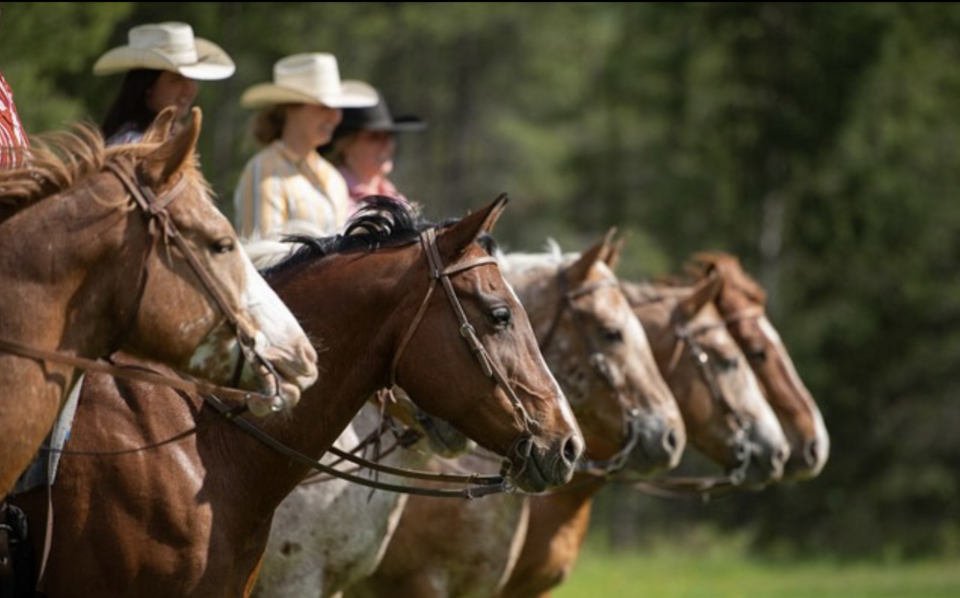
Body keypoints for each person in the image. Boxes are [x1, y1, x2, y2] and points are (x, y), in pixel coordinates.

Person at [233, 53, 377, 239]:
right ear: (291, 107)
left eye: (337, 107)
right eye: (324, 107)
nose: (336, 117)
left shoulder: (332, 177)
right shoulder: (264, 171)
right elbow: (262, 258)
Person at [93, 22, 235, 145]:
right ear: (147, 86)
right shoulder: (131, 146)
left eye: (192, 78)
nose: (190, 88)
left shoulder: (168, 139)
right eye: (177, 78)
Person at [320, 92, 426, 215]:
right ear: (345, 144)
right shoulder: (330, 194)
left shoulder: (395, 198)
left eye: (389, 135)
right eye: (375, 137)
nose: (387, 145)